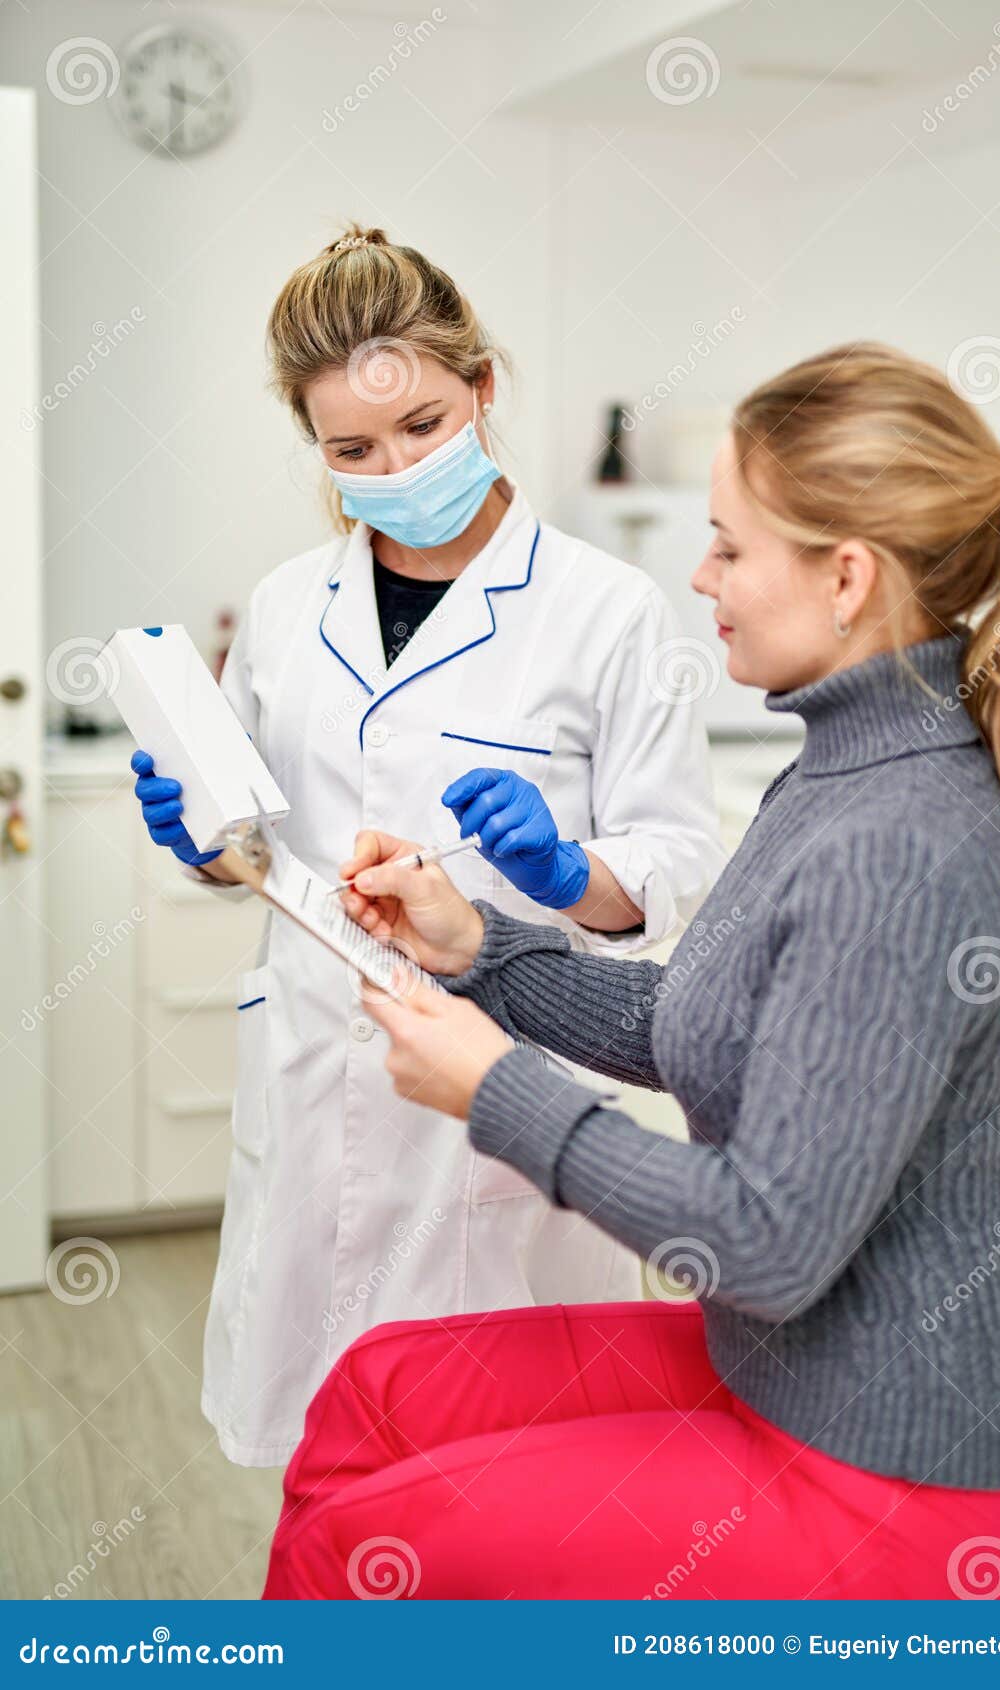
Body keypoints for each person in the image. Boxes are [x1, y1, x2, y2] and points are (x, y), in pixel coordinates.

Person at [263, 343, 1000, 1599]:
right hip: (786, 1370)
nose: (699, 577)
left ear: (845, 576)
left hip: (893, 1469)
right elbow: (704, 1017)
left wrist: (495, 1091)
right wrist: (482, 949)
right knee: (374, 1387)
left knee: (348, 1547)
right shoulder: (839, 764)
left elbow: (763, 1243)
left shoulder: (898, 842)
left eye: (728, 547)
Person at [128, 224, 722, 1468]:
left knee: (502, 1477)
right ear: (317, 447)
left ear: (482, 389)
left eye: (423, 427)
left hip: (494, 1087)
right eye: (352, 447)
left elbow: (673, 859)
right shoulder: (291, 605)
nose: (392, 465)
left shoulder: (605, 611)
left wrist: (571, 872)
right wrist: (198, 837)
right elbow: (256, 839)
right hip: (308, 1067)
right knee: (322, 1474)